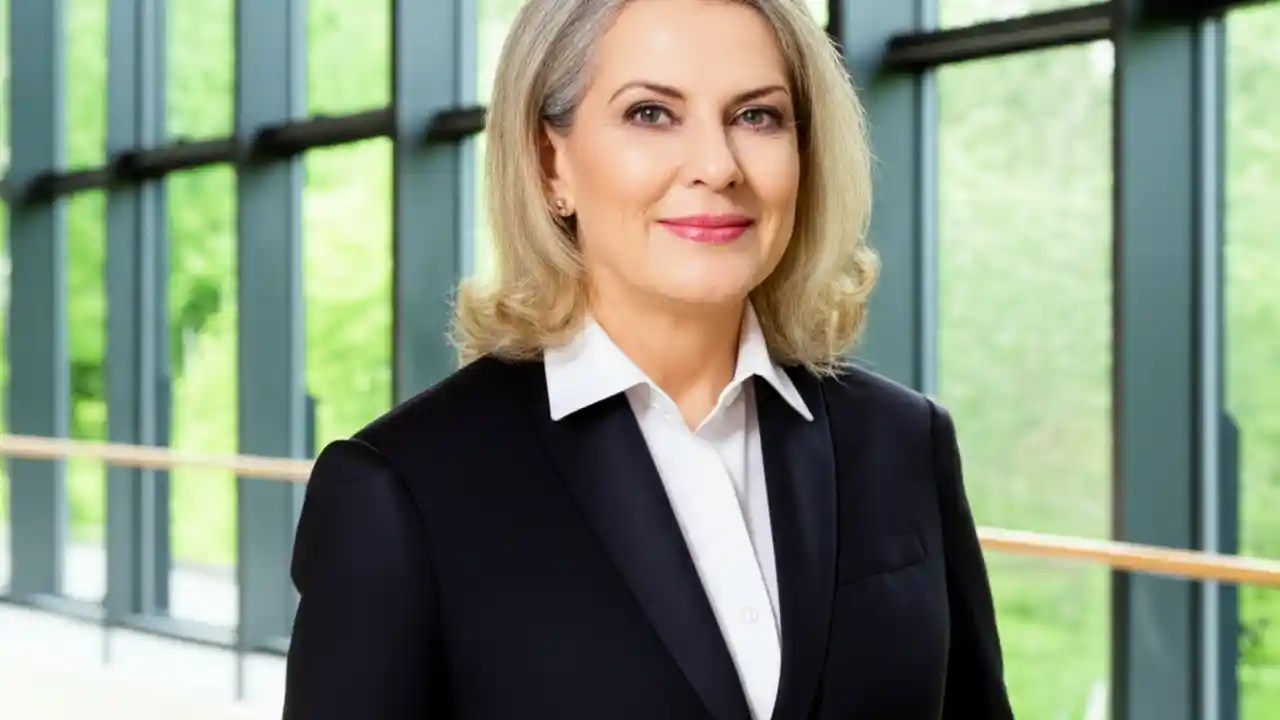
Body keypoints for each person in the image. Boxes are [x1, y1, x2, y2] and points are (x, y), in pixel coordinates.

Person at [283, 0, 1013, 718]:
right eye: (651, 113)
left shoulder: (902, 441)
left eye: (756, 116)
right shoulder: (402, 489)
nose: (717, 166)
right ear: (550, 163)